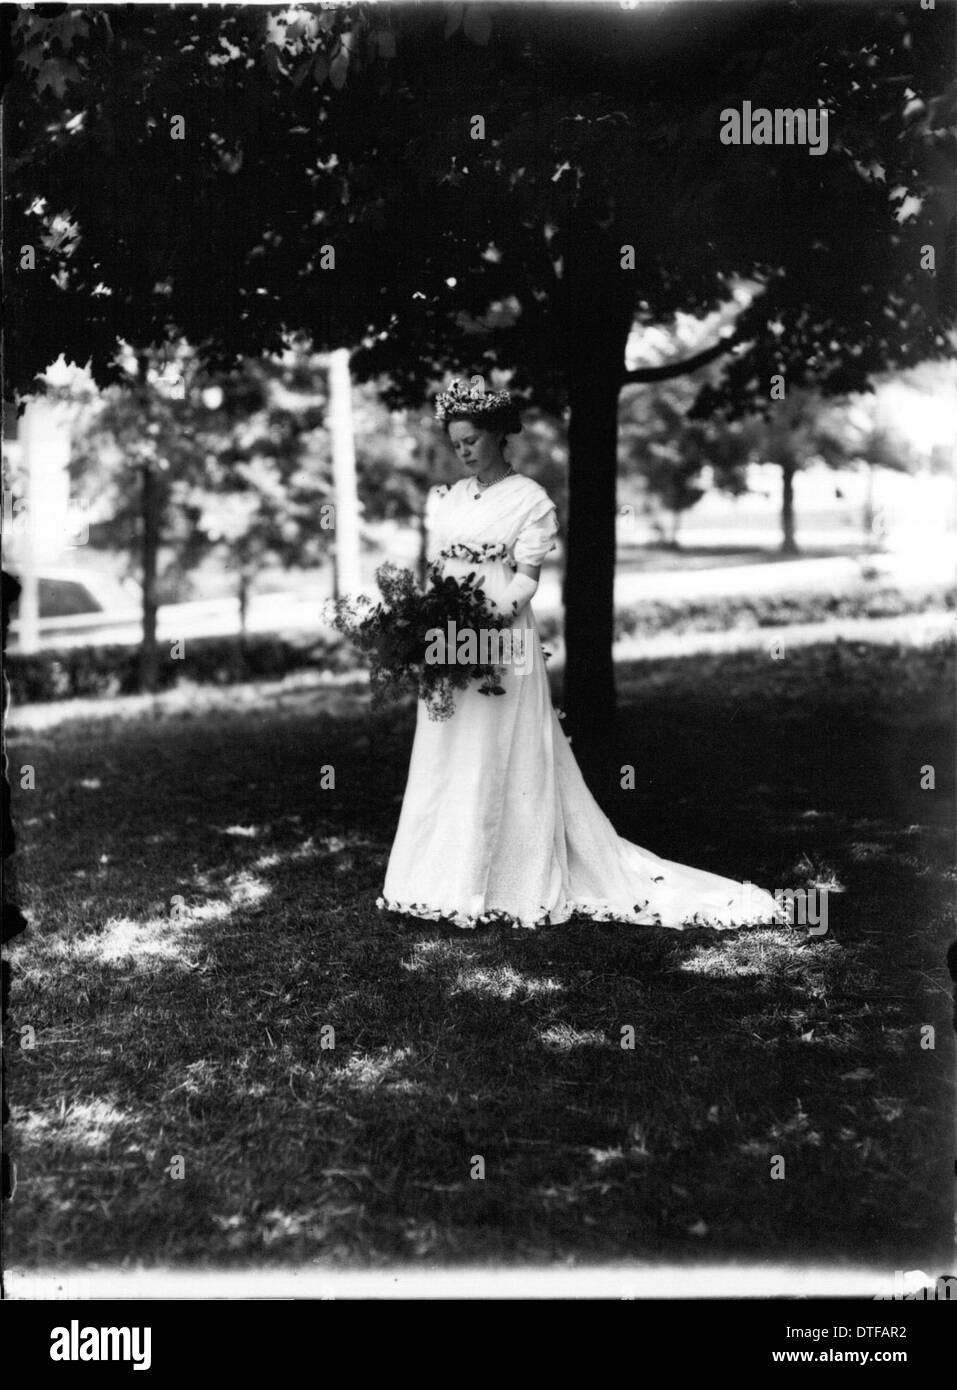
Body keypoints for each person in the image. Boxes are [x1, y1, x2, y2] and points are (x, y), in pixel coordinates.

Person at [377, 379, 783, 931]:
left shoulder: (529, 501)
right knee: (450, 745)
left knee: (498, 749)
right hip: (447, 640)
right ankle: (437, 881)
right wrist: (433, 623)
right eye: (457, 443)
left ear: (499, 435)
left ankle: (506, 881)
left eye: (472, 440)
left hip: (500, 637)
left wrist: (481, 620)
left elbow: (525, 582)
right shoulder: (449, 499)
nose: (465, 451)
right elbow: (441, 571)